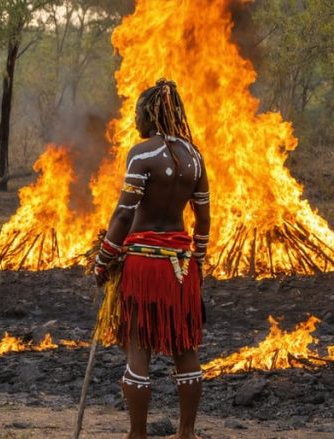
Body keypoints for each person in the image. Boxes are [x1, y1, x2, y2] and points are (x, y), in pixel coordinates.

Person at [92, 79, 209, 439]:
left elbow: (124, 214)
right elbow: (203, 220)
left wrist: (104, 258)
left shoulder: (142, 154)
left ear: (152, 114)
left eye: (138, 113)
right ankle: (186, 433)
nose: (135, 120)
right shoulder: (195, 157)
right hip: (181, 266)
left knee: (138, 344)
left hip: (144, 265)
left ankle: (137, 434)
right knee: (183, 346)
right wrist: (198, 263)